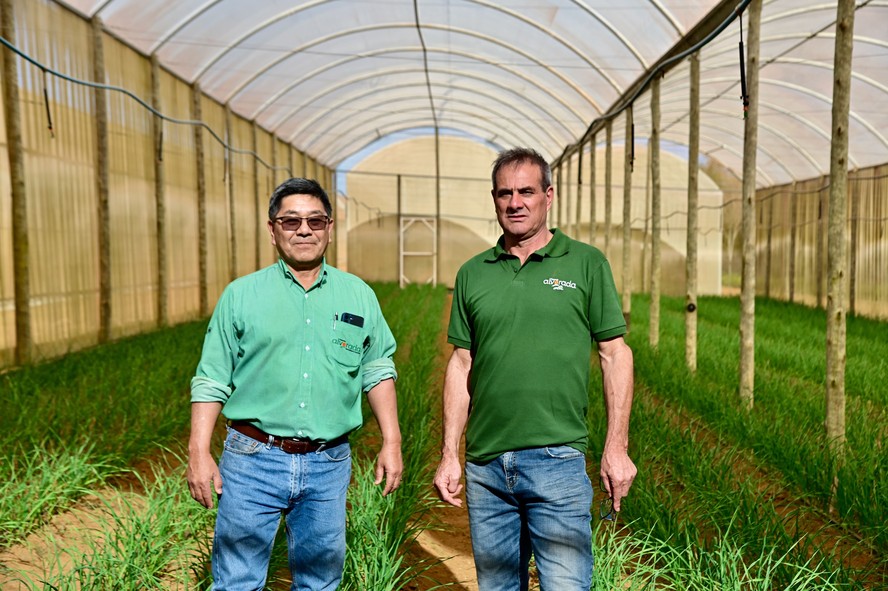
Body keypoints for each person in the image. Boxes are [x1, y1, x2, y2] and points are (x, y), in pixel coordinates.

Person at [433, 147, 636, 590]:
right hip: (487, 467)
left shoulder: (585, 263)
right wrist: (450, 453)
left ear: (549, 195)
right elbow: (462, 363)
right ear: (494, 199)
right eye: (504, 193)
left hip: (557, 461)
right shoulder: (473, 273)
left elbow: (615, 353)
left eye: (526, 191)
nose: (515, 202)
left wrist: (616, 447)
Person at [187, 177, 403, 591]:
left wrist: (391, 442)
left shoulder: (358, 295)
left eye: (315, 221)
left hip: (328, 463)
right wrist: (198, 452)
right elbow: (212, 378)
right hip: (252, 460)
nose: (304, 230)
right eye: (291, 221)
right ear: (273, 230)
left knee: (319, 583)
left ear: (329, 228)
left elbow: (377, 369)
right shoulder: (241, 295)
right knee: (236, 582)